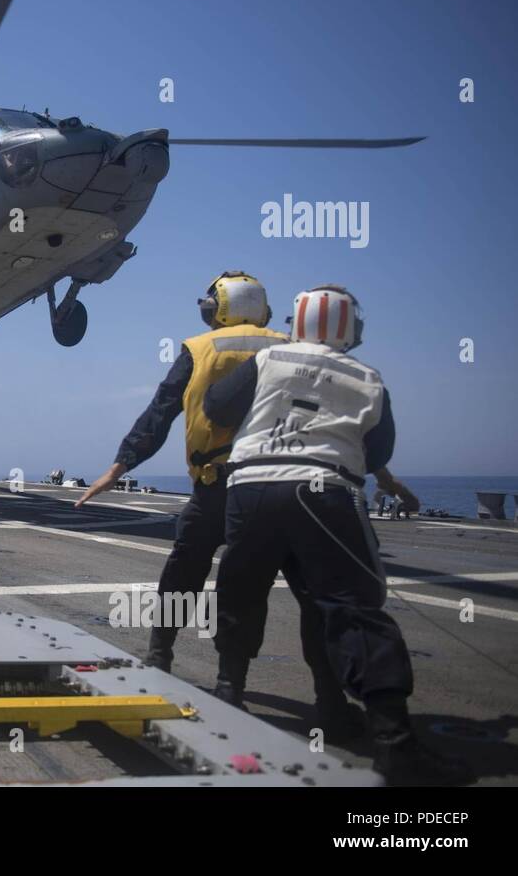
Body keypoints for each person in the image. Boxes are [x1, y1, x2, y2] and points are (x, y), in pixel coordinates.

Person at [204, 286, 473, 784]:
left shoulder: (268, 357)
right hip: (324, 492)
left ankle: (229, 693)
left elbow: (218, 408)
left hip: (252, 487)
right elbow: (376, 454)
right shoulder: (368, 377)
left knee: (241, 591)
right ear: (352, 328)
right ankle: (390, 740)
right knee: (349, 607)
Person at [75, 272, 359, 737]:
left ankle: (169, 660)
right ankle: (329, 703)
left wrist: (120, 465)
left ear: (219, 308)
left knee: (185, 573)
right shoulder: (292, 345)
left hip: (217, 484)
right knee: (311, 595)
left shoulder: (200, 349)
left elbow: (160, 412)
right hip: (289, 485)